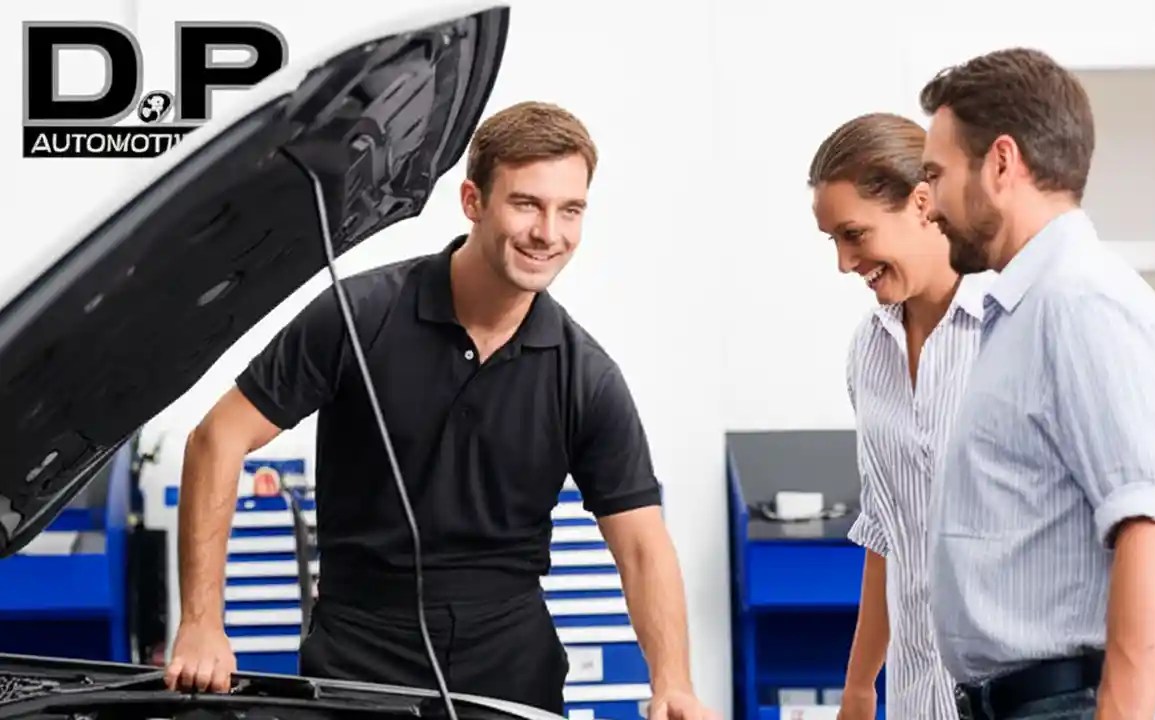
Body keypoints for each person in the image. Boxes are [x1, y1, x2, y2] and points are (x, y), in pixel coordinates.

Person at [162, 100, 714, 720]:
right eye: (526, 203)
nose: (548, 233)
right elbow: (218, 438)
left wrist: (673, 681)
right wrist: (202, 622)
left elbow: (641, 542)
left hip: (509, 658)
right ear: (473, 201)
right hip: (359, 650)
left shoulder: (584, 374)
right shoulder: (358, 315)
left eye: (571, 210)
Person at [918, 48, 1155, 719]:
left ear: (1002, 163)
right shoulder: (1025, 311)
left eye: (937, 174)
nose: (928, 206)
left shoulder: (1083, 302)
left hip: (1071, 702)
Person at [808, 112, 993, 720]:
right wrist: (861, 686)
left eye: (854, 234)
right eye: (833, 240)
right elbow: (887, 529)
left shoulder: (1008, 326)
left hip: (1011, 694)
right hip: (918, 696)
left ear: (921, 203)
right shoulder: (870, 349)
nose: (843, 262)